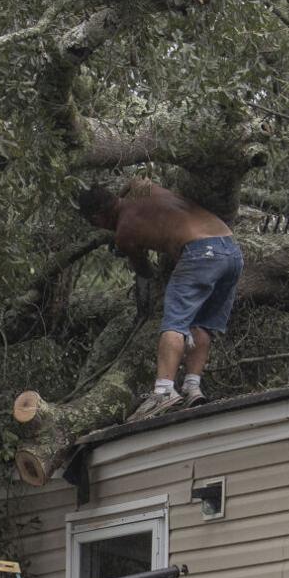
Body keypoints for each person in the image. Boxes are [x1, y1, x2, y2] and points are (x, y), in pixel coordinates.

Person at [79, 178, 243, 418]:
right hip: (231, 251)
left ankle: (164, 391)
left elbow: (145, 271)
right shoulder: (140, 188)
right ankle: (192, 387)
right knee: (202, 324)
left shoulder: (124, 231)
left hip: (200, 253)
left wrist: (126, 249)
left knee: (175, 324)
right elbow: (135, 181)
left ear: (97, 218)